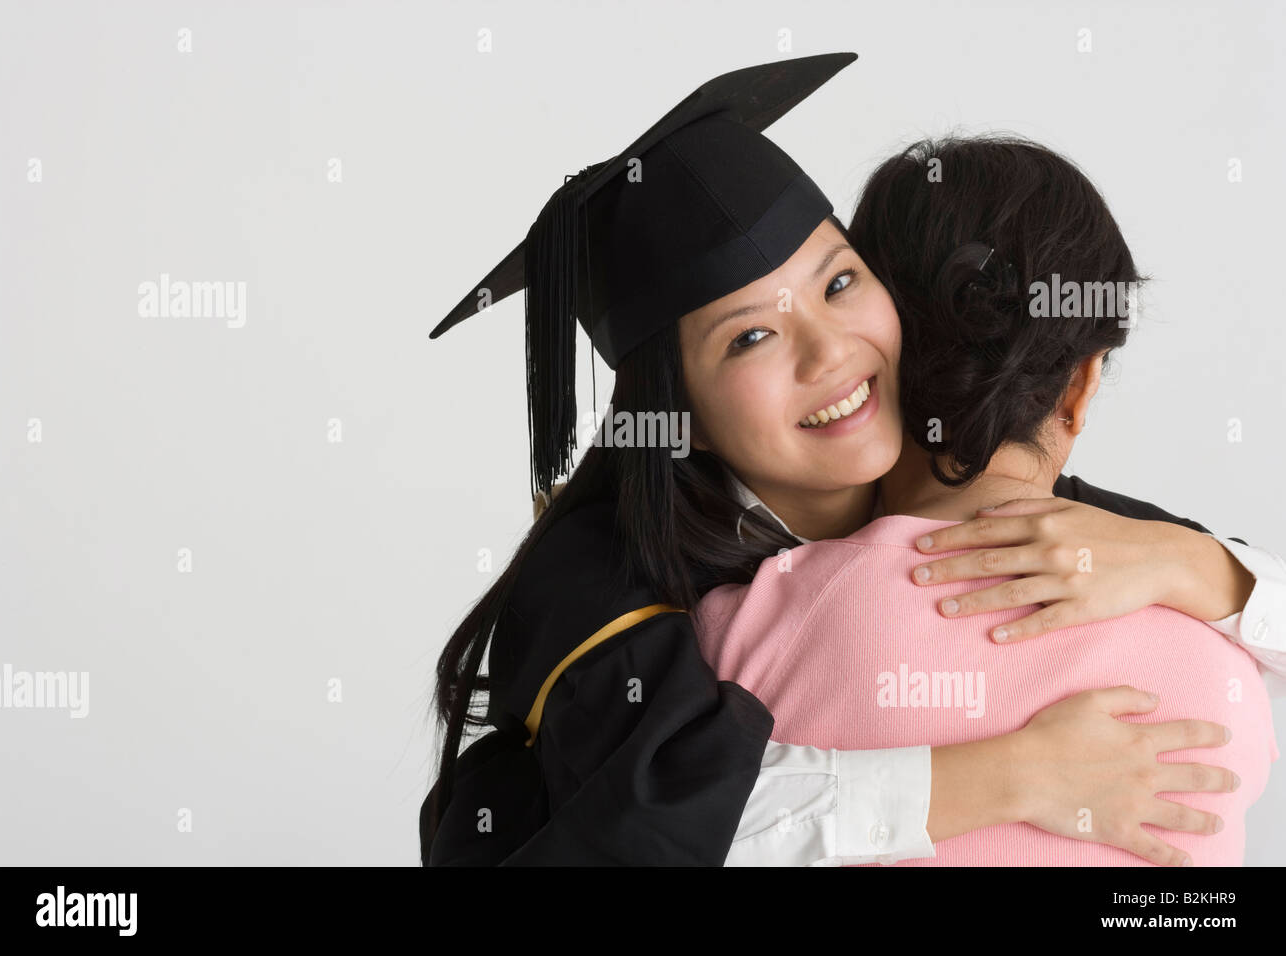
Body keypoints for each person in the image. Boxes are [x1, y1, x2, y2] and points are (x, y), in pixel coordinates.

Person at [420, 55, 1286, 866]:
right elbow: (659, 822)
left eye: (840, 283)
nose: (830, 353)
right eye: (751, 336)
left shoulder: (958, 471)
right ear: (675, 408)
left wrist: (1204, 569)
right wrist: (1017, 774)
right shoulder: (599, 573)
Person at [693, 136, 1279, 865]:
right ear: (1081, 386)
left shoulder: (732, 637)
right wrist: (1208, 576)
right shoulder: (1221, 672)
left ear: (877, 344)